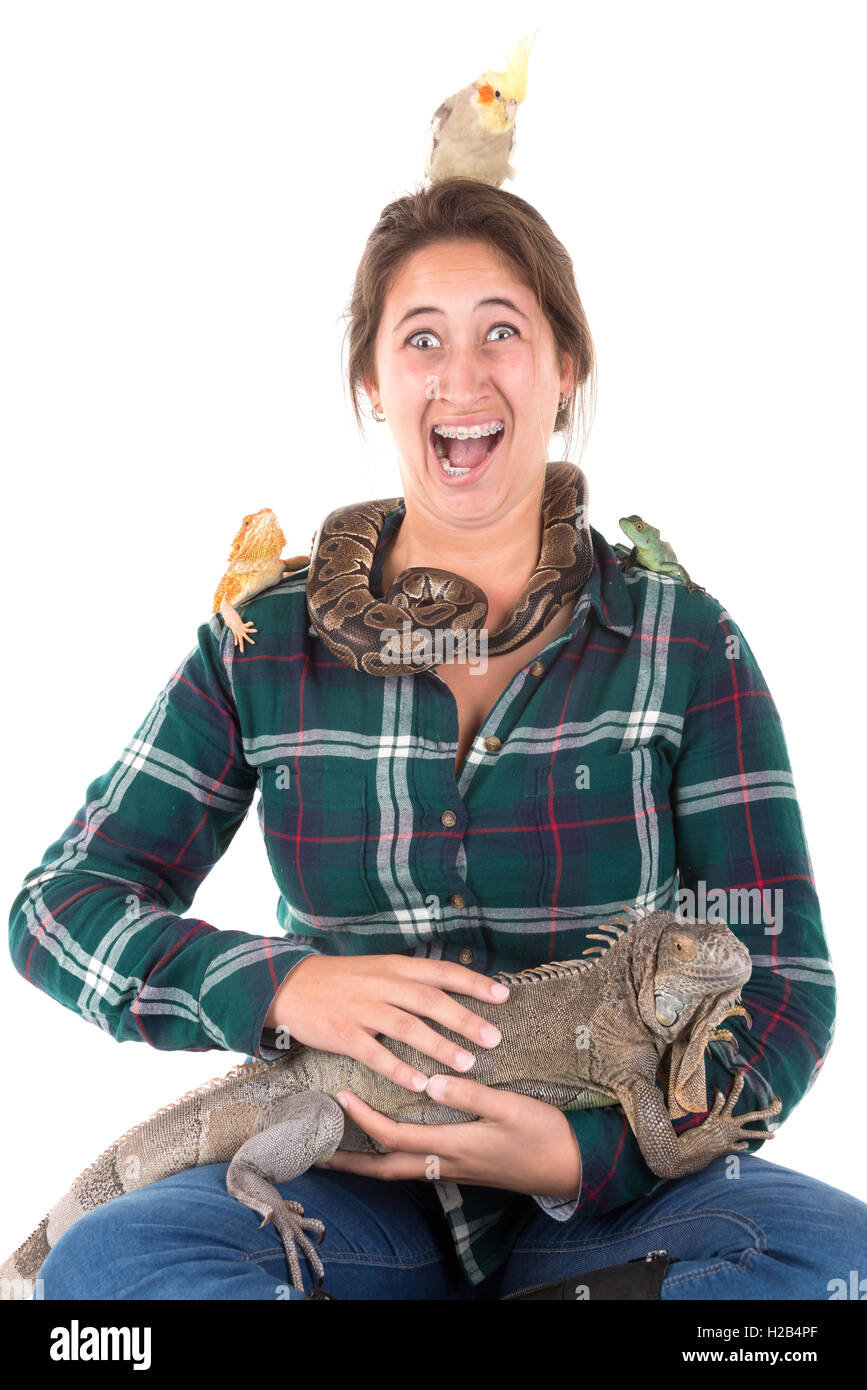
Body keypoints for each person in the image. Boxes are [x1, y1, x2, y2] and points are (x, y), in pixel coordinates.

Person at [10, 180, 865, 1300]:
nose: (463, 377)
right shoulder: (262, 646)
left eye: (503, 331)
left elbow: (783, 966)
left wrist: (591, 1155)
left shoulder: (685, 642)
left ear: (565, 369)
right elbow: (59, 904)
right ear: (375, 381)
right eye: (423, 339)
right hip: (349, 1182)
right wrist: (281, 985)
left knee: (828, 1264)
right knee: (110, 1265)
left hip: (615, 1194)